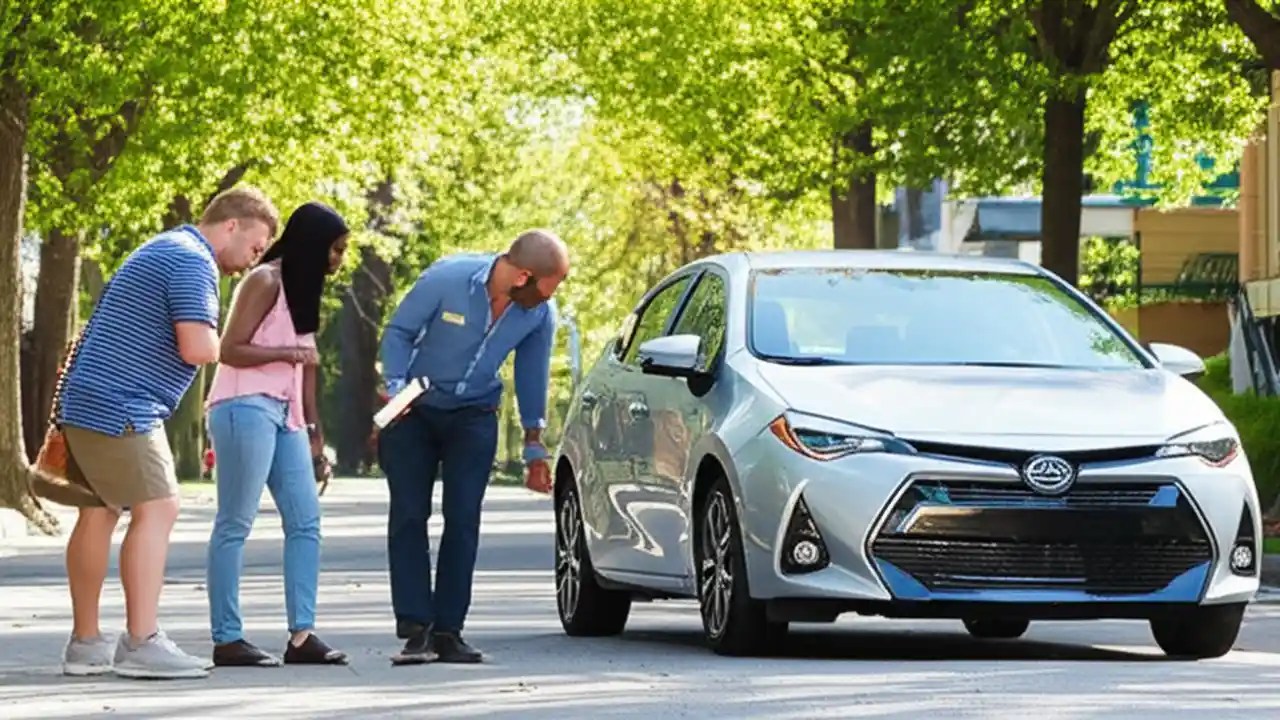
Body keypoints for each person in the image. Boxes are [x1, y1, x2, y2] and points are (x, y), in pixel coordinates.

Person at [57, 187, 279, 680]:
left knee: (99, 512)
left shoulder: (166, 247)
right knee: (159, 506)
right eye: (256, 248)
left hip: (91, 396)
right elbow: (198, 347)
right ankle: (141, 642)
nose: (251, 261)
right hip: (122, 403)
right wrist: (246, 342)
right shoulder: (193, 261)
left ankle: (86, 643)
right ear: (232, 226)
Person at [378, 229, 570, 665]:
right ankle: (415, 626)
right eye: (548, 286)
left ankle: (448, 629)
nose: (550, 296)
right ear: (523, 275)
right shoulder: (447, 279)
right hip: (415, 409)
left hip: (474, 415)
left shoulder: (538, 314)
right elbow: (399, 331)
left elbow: (531, 373)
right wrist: (394, 387)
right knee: (409, 512)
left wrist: (534, 445)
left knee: (463, 518)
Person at [202, 202, 350, 668]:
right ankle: (228, 638)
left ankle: (302, 636)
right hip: (243, 405)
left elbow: (306, 367)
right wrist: (287, 353)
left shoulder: (306, 289)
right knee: (235, 522)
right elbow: (228, 349)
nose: (339, 258)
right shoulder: (265, 279)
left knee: (306, 522)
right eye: (336, 248)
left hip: (285, 415)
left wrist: (314, 434)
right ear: (313, 242)